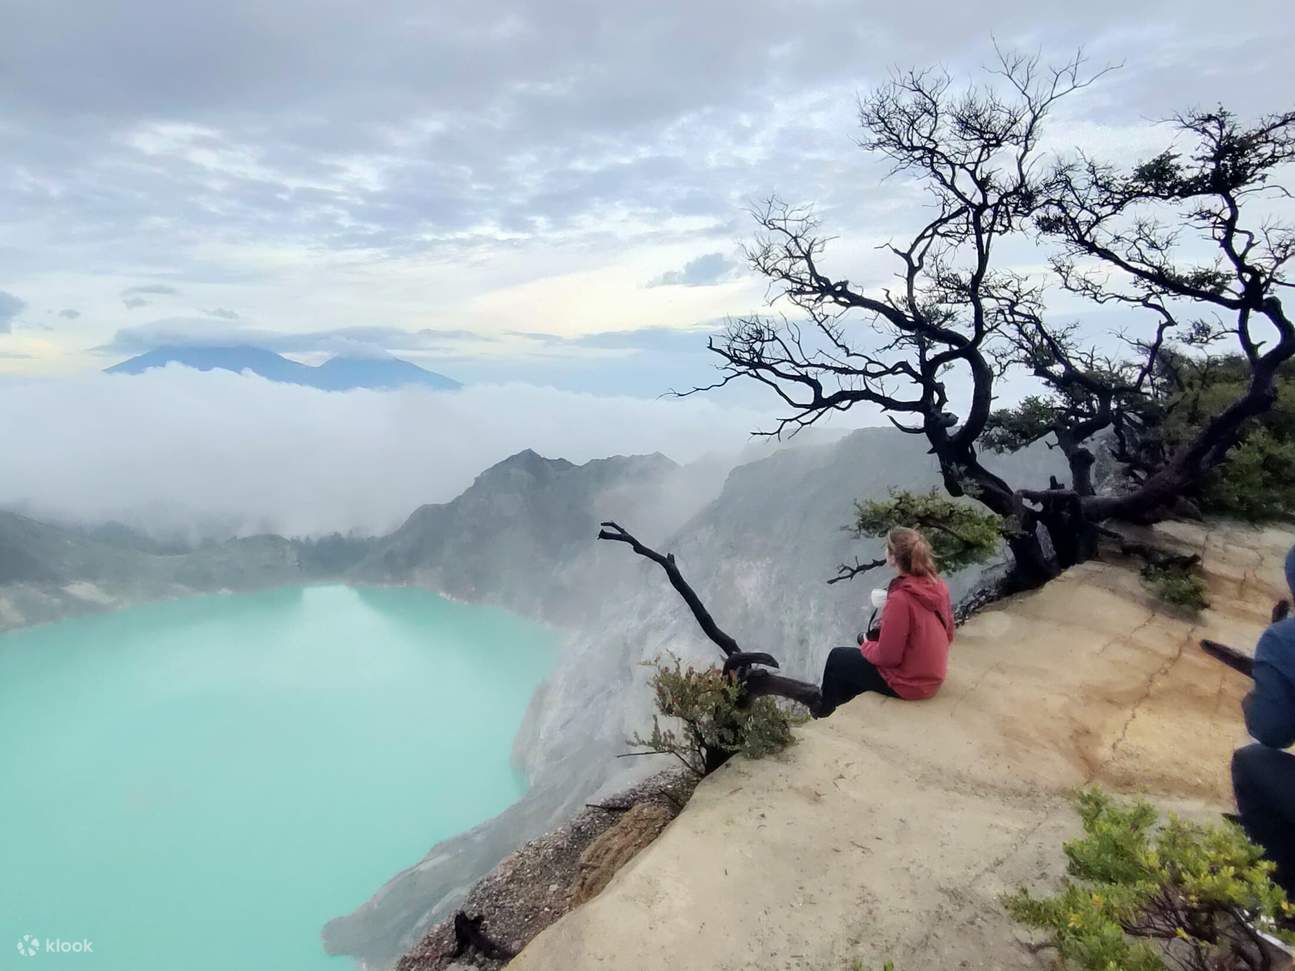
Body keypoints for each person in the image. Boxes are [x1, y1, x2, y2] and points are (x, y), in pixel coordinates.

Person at [813, 526, 954, 718]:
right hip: (933, 675)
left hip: (911, 683)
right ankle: (839, 706)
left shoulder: (900, 599)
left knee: (838, 658)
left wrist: (865, 644)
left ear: (893, 557)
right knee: (854, 667)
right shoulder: (938, 586)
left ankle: (822, 712)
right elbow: (949, 634)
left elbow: (888, 658)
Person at [1231, 544, 1295, 895]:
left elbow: (1273, 733)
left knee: (1250, 763)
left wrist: (1252, 702)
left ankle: (1283, 898)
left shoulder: (1283, 639)